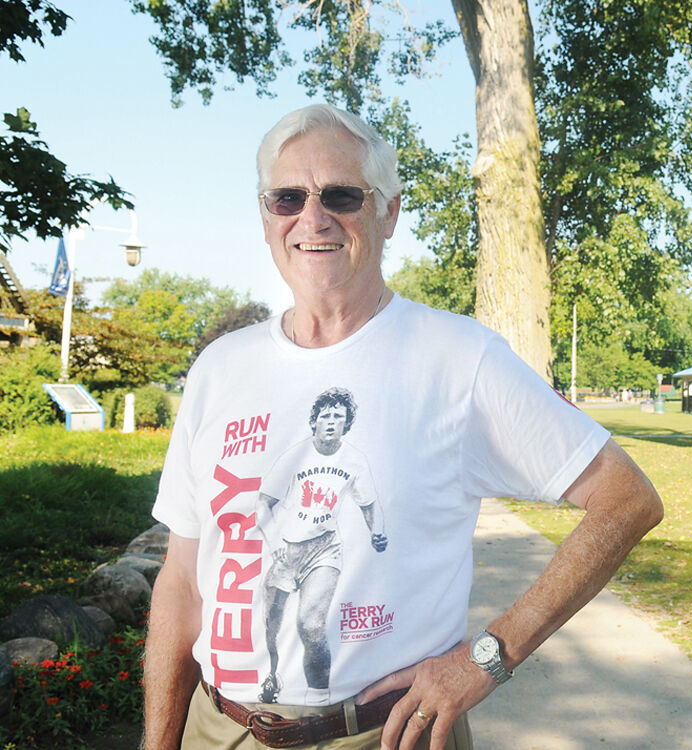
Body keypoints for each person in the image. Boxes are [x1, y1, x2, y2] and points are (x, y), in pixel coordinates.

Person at [143, 103, 663, 750]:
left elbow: (626, 500)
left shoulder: (458, 359)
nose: (312, 218)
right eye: (287, 198)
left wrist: (488, 658)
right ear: (266, 215)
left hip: (381, 735)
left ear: (388, 212)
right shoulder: (221, 368)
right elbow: (182, 581)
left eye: (341, 195)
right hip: (218, 729)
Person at [256, 386, 388, 706]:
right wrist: (273, 543)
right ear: (314, 421)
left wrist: (377, 532)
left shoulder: (354, 460)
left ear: (347, 424)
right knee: (270, 623)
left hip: (325, 549)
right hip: (286, 549)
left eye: (338, 417)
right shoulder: (295, 456)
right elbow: (263, 504)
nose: (330, 421)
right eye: (325, 416)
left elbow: (369, 504)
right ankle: (272, 675)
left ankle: (319, 696)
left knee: (310, 624)